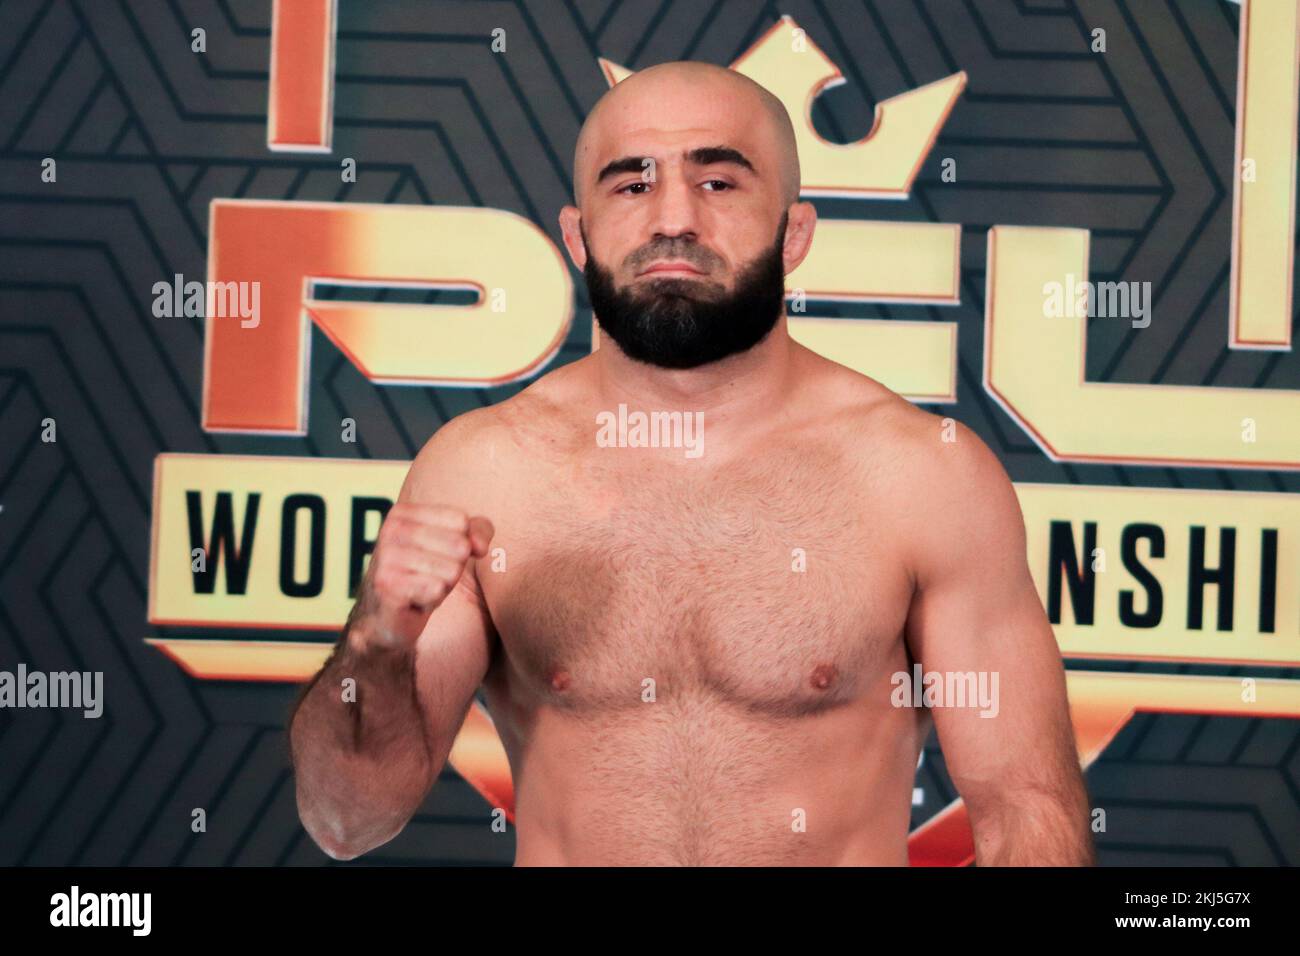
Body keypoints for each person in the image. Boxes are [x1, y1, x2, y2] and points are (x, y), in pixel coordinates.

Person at [289, 60, 1095, 866]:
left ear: (796, 232)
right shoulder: (487, 473)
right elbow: (347, 819)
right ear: (577, 236)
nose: (674, 218)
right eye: (631, 186)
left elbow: (1025, 813)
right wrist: (376, 647)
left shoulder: (922, 476)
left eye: (718, 182)